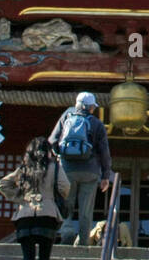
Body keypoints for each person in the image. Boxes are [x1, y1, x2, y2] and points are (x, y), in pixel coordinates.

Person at [0, 136, 71, 260]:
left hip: (25, 215)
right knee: (44, 256)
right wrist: (52, 197)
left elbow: (2, 184)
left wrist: (20, 197)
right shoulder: (55, 167)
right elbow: (65, 187)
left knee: (28, 256)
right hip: (47, 215)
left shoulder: (24, 168)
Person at [49, 92, 114, 246]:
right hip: (90, 171)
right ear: (91, 107)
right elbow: (104, 152)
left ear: (77, 104)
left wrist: (60, 156)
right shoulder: (97, 124)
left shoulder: (66, 117)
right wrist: (105, 176)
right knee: (86, 209)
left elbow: (52, 140)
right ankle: (84, 242)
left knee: (66, 204)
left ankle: (67, 231)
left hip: (67, 169)